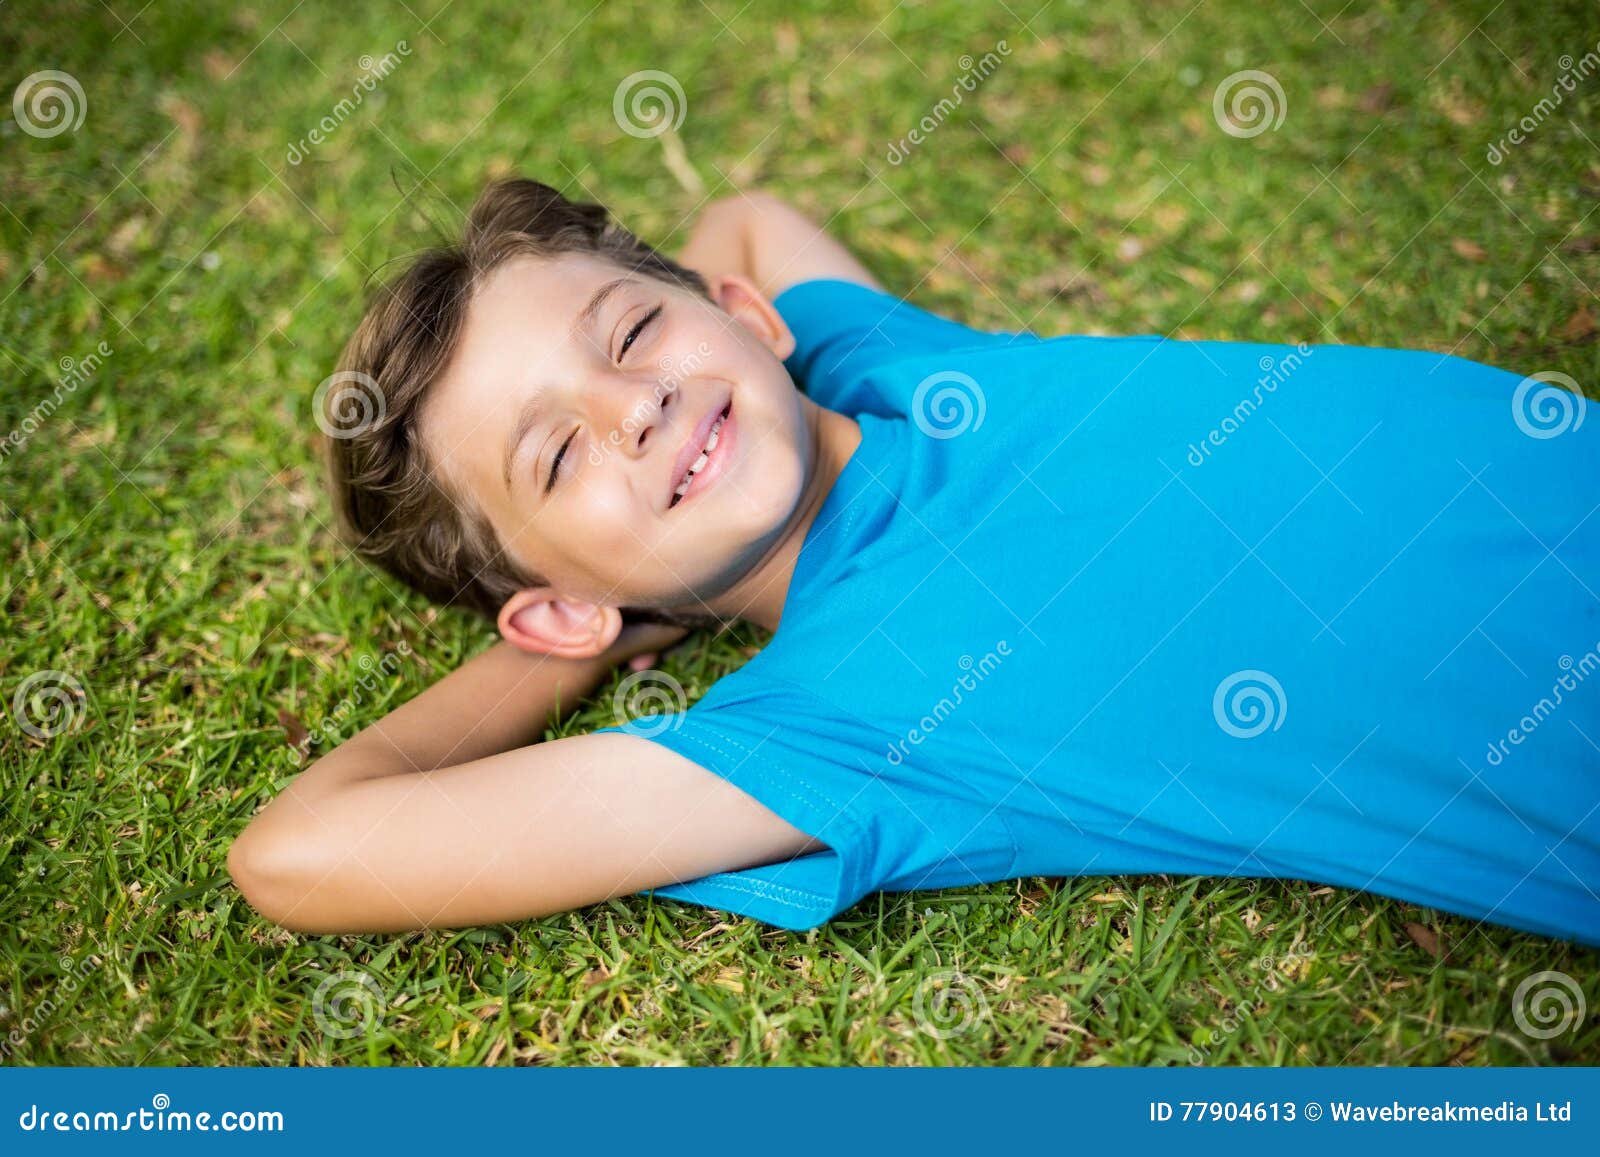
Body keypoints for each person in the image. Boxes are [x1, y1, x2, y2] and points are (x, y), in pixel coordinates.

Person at [227, 178, 1600, 947]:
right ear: (560, 595)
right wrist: (579, 637)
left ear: (750, 319)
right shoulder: (829, 723)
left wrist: (702, 384)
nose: (632, 405)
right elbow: (300, 851)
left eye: (631, 335)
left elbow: (744, 220)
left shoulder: (899, 367)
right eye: (556, 456)